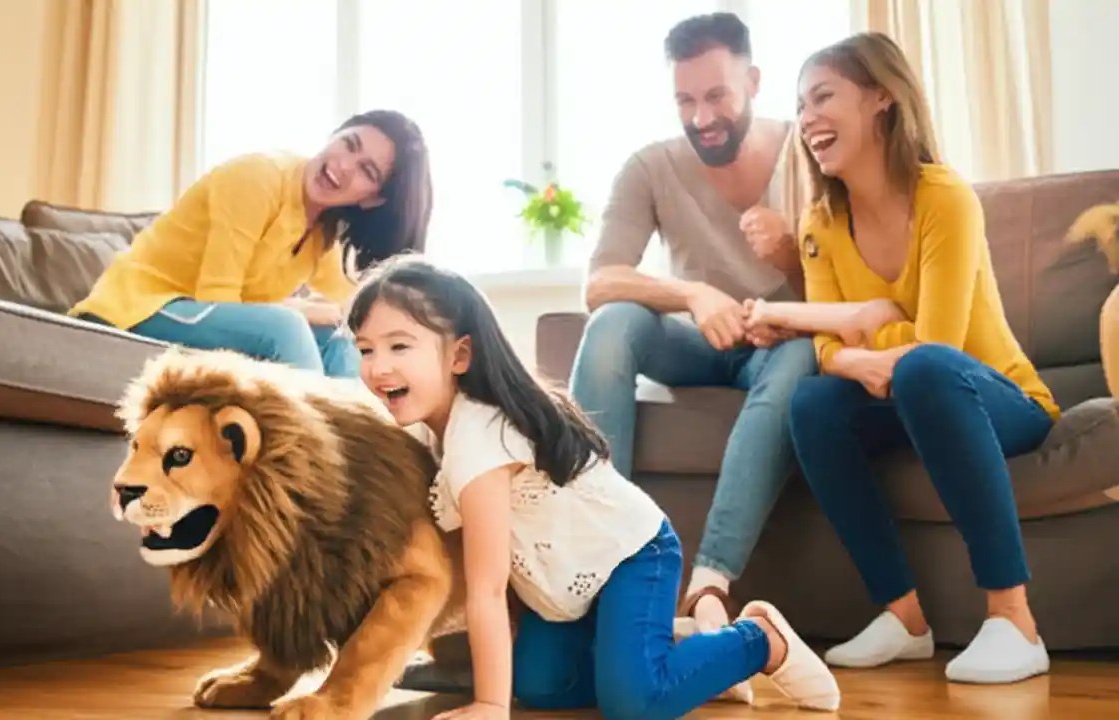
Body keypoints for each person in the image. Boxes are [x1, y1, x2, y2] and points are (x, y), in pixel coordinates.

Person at [348, 256, 840, 720]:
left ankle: (757, 639)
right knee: (541, 686)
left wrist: (491, 707)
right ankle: (682, 655)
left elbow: (489, 587)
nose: (378, 367)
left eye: (399, 346)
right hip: (564, 589)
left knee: (636, 706)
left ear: (460, 355)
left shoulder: (477, 437)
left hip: (630, 557)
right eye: (365, 349)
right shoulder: (427, 432)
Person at [770, 32, 1058, 685]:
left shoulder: (943, 196)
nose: (806, 117)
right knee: (812, 403)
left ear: (880, 98)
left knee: (926, 369)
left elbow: (941, 346)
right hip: (906, 395)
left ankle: (1015, 620)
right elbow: (823, 349)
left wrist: (868, 329)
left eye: (823, 97)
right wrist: (854, 351)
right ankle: (903, 619)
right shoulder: (818, 224)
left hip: (1003, 402)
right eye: (800, 105)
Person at [565, 13, 814, 701]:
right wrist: (694, 292)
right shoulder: (650, 165)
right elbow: (600, 281)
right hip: (694, 340)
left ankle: (709, 587)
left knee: (801, 366)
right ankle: (601, 548)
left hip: (780, 341)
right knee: (615, 320)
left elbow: (849, 291)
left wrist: (788, 262)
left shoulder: (807, 154)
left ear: (753, 82)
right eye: (685, 100)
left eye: (716, 96)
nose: (701, 117)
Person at [70, 109, 432, 378]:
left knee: (344, 340)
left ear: (372, 199)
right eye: (348, 144)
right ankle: (317, 460)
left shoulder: (322, 229)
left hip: (197, 314)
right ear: (333, 135)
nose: (344, 165)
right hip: (139, 305)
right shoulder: (258, 178)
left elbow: (349, 305)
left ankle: (355, 454)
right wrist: (298, 311)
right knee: (285, 327)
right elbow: (217, 296)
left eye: (367, 171)